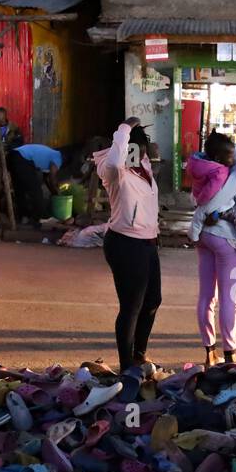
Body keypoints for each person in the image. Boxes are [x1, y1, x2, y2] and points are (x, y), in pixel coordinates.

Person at [188, 113, 236, 365]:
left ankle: (209, 351)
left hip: (207, 235)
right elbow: (225, 192)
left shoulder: (227, 155)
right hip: (227, 236)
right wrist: (203, 215)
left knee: (206, 296)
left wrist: (201, 220)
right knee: (228, 299)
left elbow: (203, 190)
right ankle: (230, 354)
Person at [95, 116, 161, 370]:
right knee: (131, 307)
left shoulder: (144, 167)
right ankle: (126, 366)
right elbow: (115, 158)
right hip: (125, 244)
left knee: (153, 300)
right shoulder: (113, 171)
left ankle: (139, 354)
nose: (136, 154)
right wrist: (124, 127)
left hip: (147, 243)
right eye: (130, 149)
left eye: (140, 149)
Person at [8, 142, 61, 224]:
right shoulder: (58, 157)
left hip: (12, 155)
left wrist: (52, 192)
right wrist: (57, 191)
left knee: (20, 189)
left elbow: (46, 178)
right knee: (35, 189)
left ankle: (24, 216)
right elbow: (52, 178)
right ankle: (43, 217)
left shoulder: (50, 155)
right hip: (23, 158)